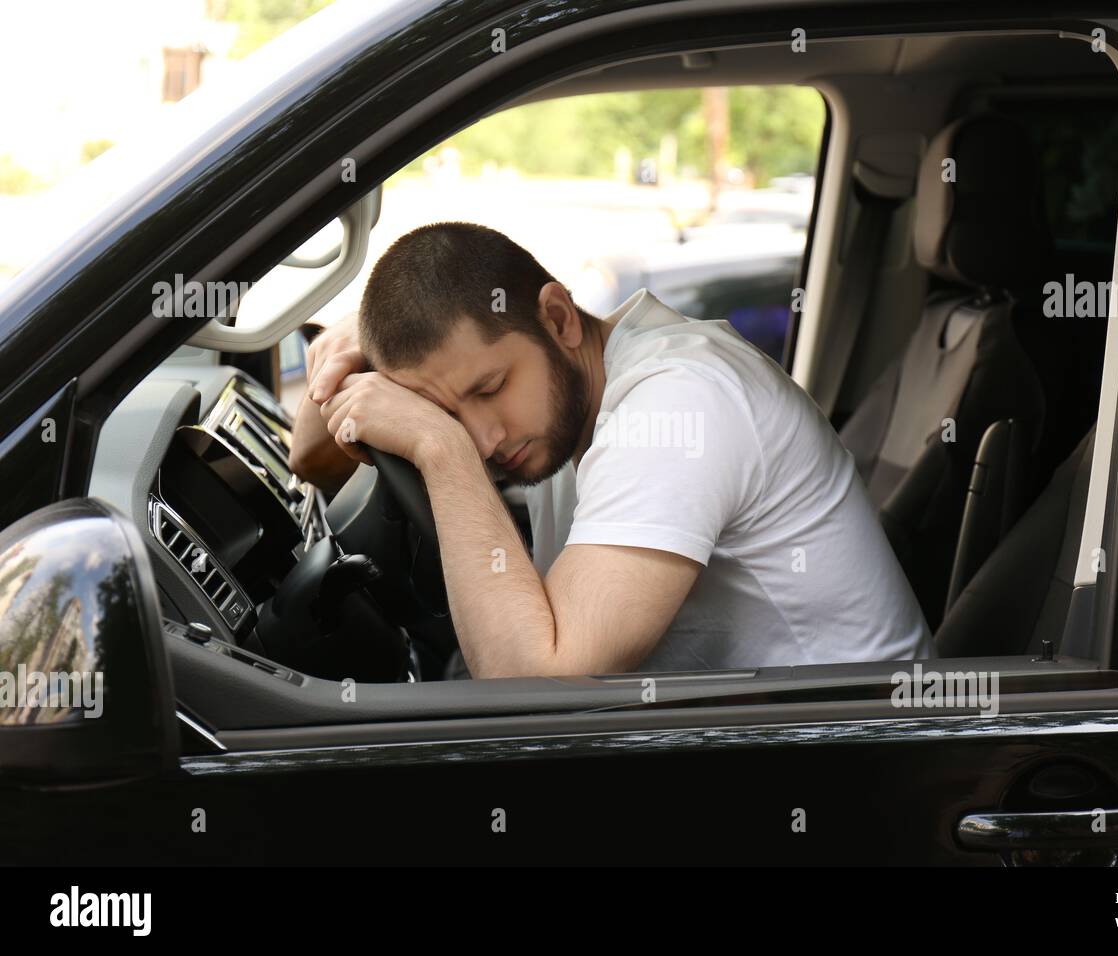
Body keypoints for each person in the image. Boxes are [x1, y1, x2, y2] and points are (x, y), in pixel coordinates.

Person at [291, 221, 932, 678]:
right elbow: (311, 459)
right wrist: (359, 340)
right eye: (449, 409)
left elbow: (538, 686)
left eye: (490, 387)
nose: (485, 437)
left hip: (843, 776)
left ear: (559, 318)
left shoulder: (678, 401)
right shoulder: (573, 394)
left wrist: (439, 444)